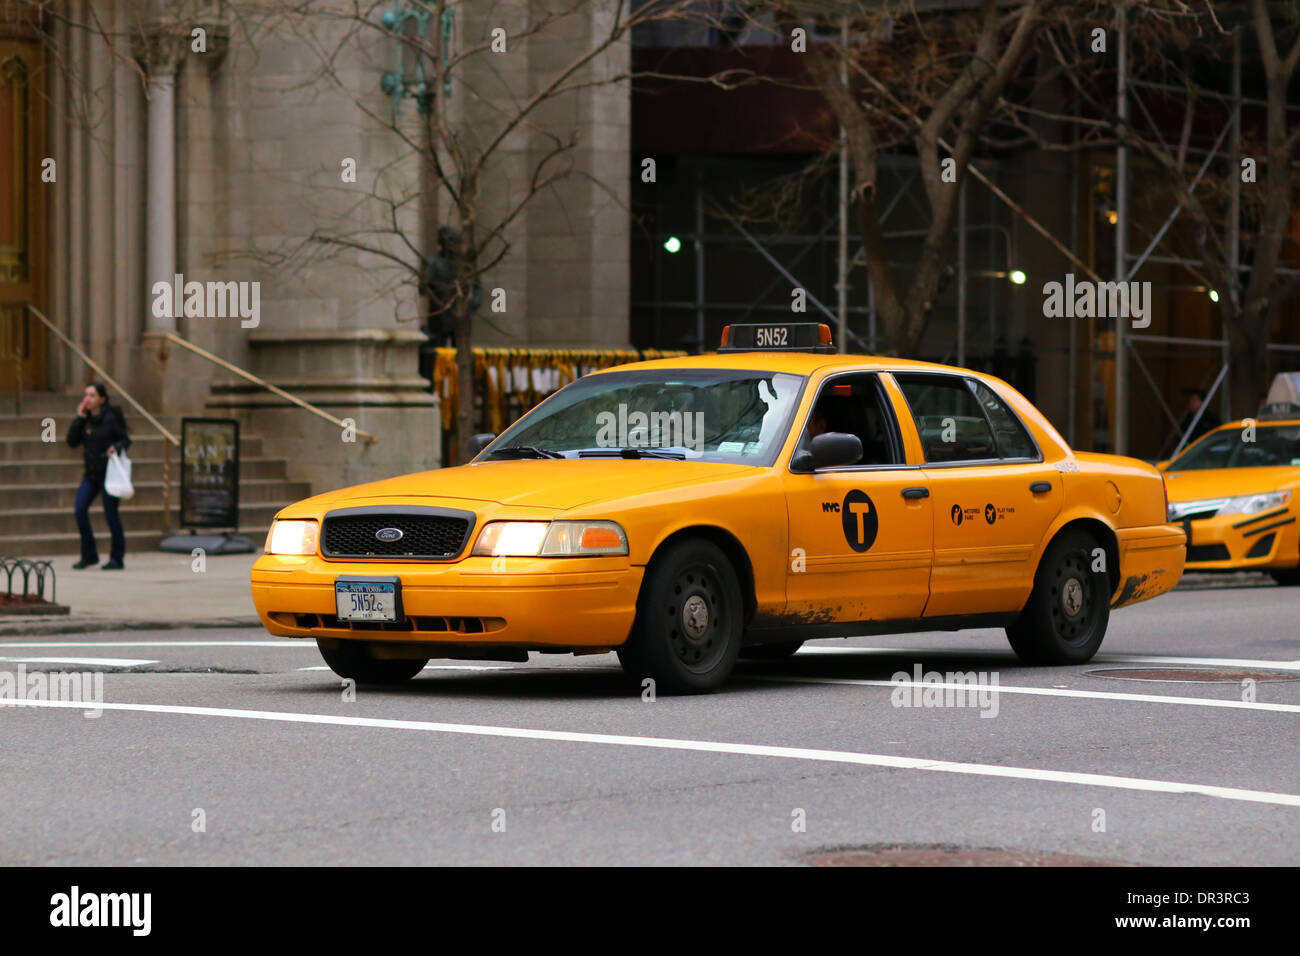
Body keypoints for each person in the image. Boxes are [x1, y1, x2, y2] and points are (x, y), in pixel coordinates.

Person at [66, 382, 131, 570]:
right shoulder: (85, 419)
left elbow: (125, 440)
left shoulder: (111, 417)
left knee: (111, 516)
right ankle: (89, 554)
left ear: (102, 399)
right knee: (80, 509)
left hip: (109, 474)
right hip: (91, 474)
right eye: (86, 395)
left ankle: (117, 558)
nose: (87, 399)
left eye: (92, 395)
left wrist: (116, 448)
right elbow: (71, 441)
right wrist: (79, 418)